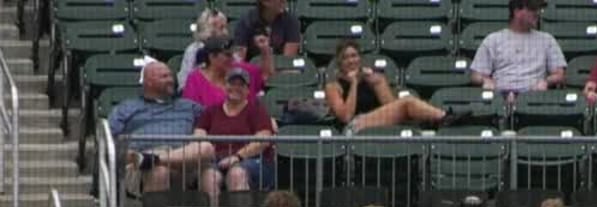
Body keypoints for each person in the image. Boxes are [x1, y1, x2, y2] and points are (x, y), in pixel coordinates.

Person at [112, 60, 215, 196]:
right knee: (160, 171)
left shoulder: (190, 107)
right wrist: (128, 154)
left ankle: (153, 159)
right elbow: (110, 139)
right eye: (164, 77)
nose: (171, 80)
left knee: (206, 148)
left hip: (184, 160)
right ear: (148, 82)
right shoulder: (127, 108)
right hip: (140, 167)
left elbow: (214, 125)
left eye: (171, 76)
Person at [325, 39, 455, 132]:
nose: (351, 60)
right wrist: (353, 84)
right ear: (339, 62)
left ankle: (442, 119)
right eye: (345, 57)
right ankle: (444, 117)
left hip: (379, 125)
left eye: (354, 56)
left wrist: (379, 83)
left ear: (360, 58)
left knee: (406, 105)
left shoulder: (372, 79)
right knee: (407, 102)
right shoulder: (334, 87)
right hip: (353, 128)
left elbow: (391, 108)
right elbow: (346, 117)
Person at [192, 67, 276, 201]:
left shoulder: (257, 111)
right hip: (217, 160)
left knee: (236, 174)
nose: (236, 88)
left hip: (252, 161)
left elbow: (263, 139)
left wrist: (238, 156)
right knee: (208, 176)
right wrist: (206, 149)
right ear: (225, 86)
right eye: (232, 83)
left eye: (241, 85)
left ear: (248, 90)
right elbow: (199, 133)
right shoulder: (211, 111)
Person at [469, 0, 567, 98]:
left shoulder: (546, 40)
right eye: (532, 9)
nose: (537, 13)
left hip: (533, 98)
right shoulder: (493, 39)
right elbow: (475, 75)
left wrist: (546, 82)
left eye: (538, 9)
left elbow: (559, 74)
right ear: (517, 12)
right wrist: (485, 80)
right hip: (501, 96)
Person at [182, 35, 267, 111]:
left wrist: (265, 50)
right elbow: (191, 112)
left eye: (232, 55)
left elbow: (267, 74)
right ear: (212, 57)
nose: (232, 59)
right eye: (227, 55)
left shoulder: (242, 69)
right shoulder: (195, 80)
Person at [177, 8, 229, 90]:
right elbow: (185, 81)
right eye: (221, 28)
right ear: (209, 30)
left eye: (226, 27)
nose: (226, 32)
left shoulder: (226, 48)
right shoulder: (194, 50)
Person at [232, 0, 300, 63]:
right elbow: (239, 61)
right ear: (265, 1)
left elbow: (287, 62)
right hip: (252, 71)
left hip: (281, 71)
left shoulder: (291, 21)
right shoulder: (246, 21)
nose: (284, 1)